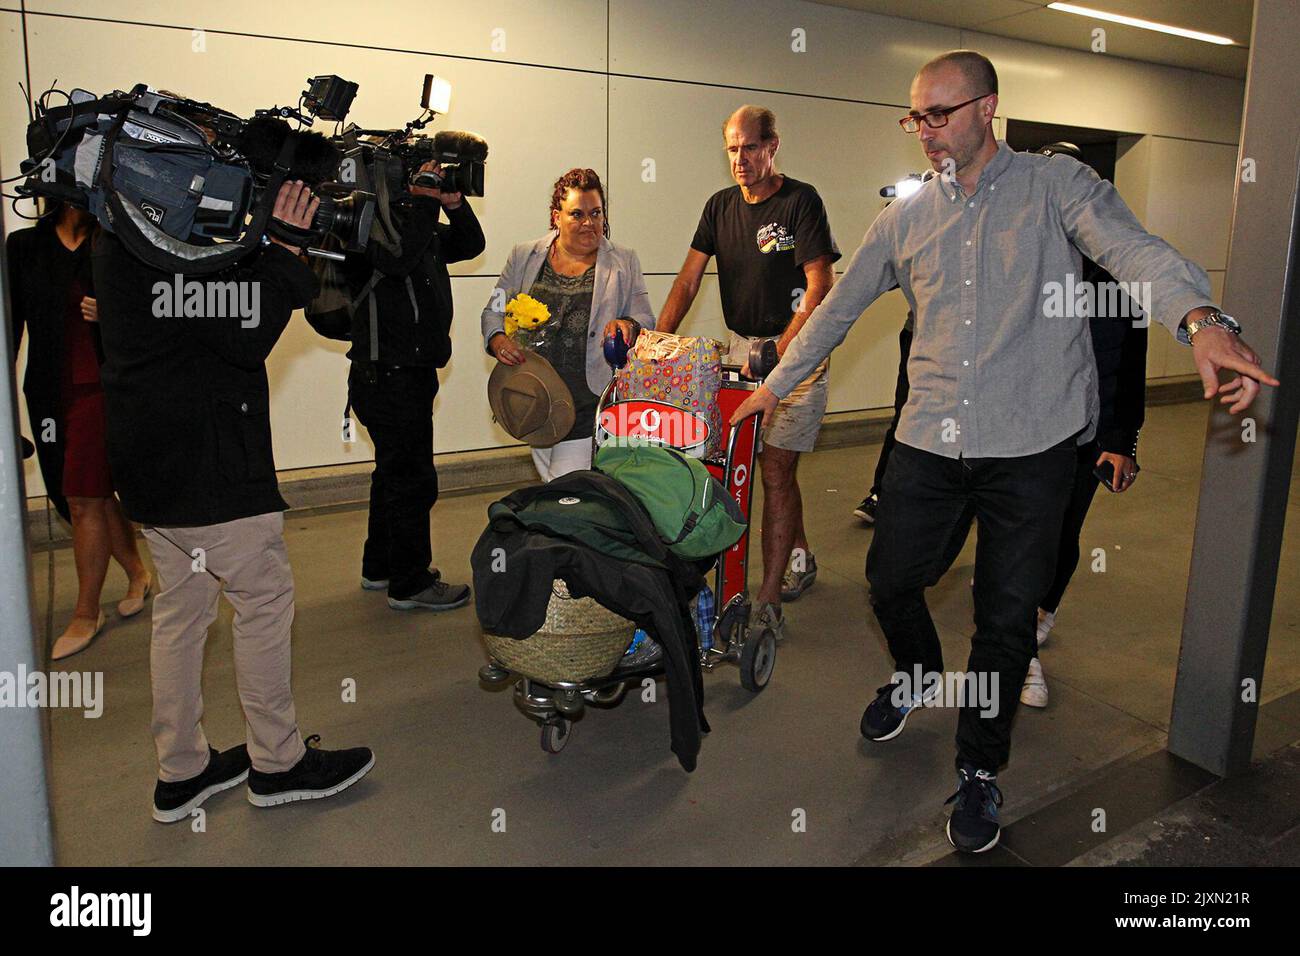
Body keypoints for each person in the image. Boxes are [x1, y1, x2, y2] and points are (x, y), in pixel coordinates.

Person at [732, 50, 1278, 853]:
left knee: (1006, 620)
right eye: (914, 117)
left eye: (940, 115)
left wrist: (1199, 321)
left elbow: (1134, 251)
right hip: (929, 442)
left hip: (1033, 446)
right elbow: (840, 306)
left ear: (989, 108)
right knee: (889, 581)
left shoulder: (1057, 189)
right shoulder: (908, 216)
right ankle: (917, 673)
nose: (925, 133)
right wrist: (777, 385)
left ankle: (979, 769)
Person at [95, 121, 375, 823]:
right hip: (210, 468)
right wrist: (283, 246)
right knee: (261, 603)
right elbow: (243, 332)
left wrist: (256, 241)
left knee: (182, 613)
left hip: (152, 469)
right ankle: (278, 765)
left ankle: (181, 770)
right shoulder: (180, 241)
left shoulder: (127, 231)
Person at [657, 105, 840, 641]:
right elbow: (688, 281)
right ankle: (799, 551)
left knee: (776, 469)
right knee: (747, 461)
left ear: (772, 145)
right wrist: (660, 342)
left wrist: (783, 350)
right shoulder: (719, 207)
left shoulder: (800, 201)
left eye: (750, 148)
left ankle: (765, 599)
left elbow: (819, 284)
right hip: (741, 348)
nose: (740, 159)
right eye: (732, 149)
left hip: (797, 349)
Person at [7, 202, 151, 659]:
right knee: (87, 494)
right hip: (50, 391)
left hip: (102, 386)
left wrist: (113, 313)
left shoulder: (114, 238)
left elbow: (153, 310)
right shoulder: (24, 245)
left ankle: (86, 612)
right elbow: (10, 328)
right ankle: (138, 572)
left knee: (83, 496)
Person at [345, 158, 484, 611]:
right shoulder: (367, 229)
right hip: (389, 377)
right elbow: (399, 260)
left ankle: (380, 566)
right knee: (413, 480)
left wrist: (453, 204)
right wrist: (424, 203)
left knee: (393, 474)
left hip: (404, 375)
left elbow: (469, 242)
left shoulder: (411, 227)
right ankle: (410, 583)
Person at [482, 167, 655, 482]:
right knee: (555, 488)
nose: (589, 223)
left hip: (587, 402)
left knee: (565, 490)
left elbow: (645, 318)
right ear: (556, 216)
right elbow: (493, 309)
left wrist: (627, 323)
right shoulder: (524, 255)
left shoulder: (624, 261)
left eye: (596, 213)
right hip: (534, 399)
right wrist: (496, 339)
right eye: (577, 214)